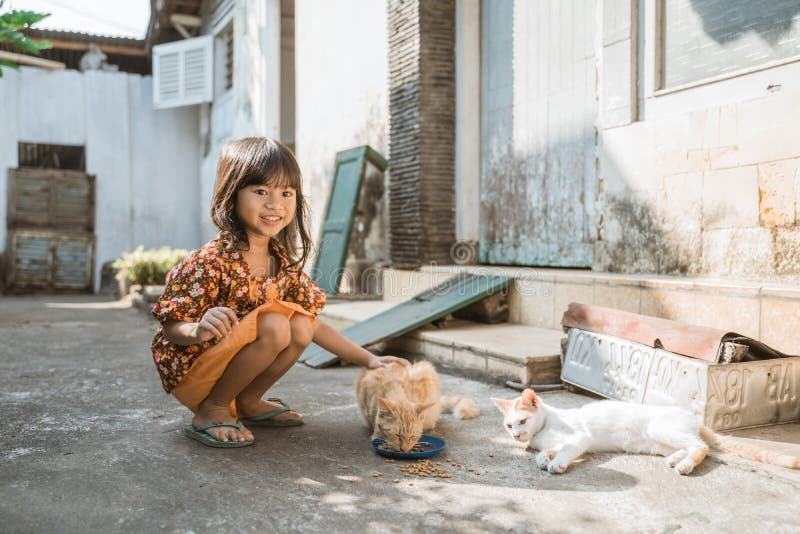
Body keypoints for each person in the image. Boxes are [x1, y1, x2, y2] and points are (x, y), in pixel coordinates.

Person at [150, 137, 407, 448]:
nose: (275, 204)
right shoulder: (210, 261)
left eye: (286, 192)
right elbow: (170, 328)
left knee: (298, 322)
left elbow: (314, 326)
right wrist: (198, 328)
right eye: (261, 191)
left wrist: (370, 360)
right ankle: (213, 409)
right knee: (274, 322)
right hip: (194, 370)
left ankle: (247, 400)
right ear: (232, 194)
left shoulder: (281, 261)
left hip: (229, 365)